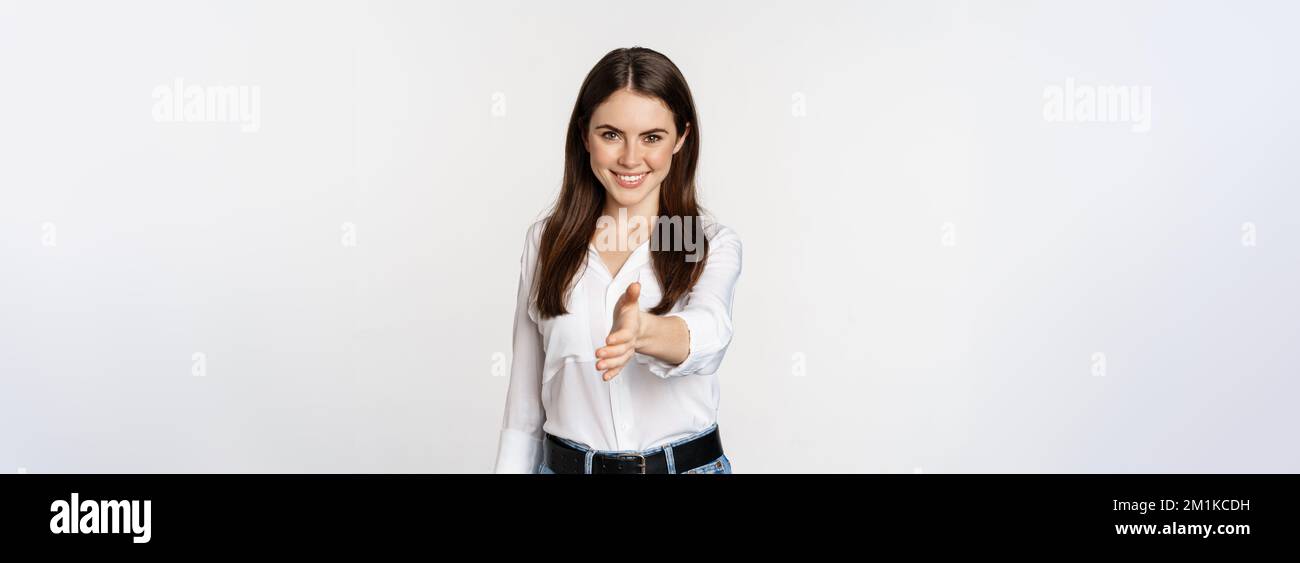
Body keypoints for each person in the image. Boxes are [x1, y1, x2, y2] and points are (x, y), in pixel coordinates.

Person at [493, 46, 742, 474]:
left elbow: (711, 333)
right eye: (611, 134)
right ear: (584, 134)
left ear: (681, 138)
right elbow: (523, 412)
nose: (630, 158)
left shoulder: (706, 242)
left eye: (652, 137)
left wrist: (644, 331)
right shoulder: (545, 242)